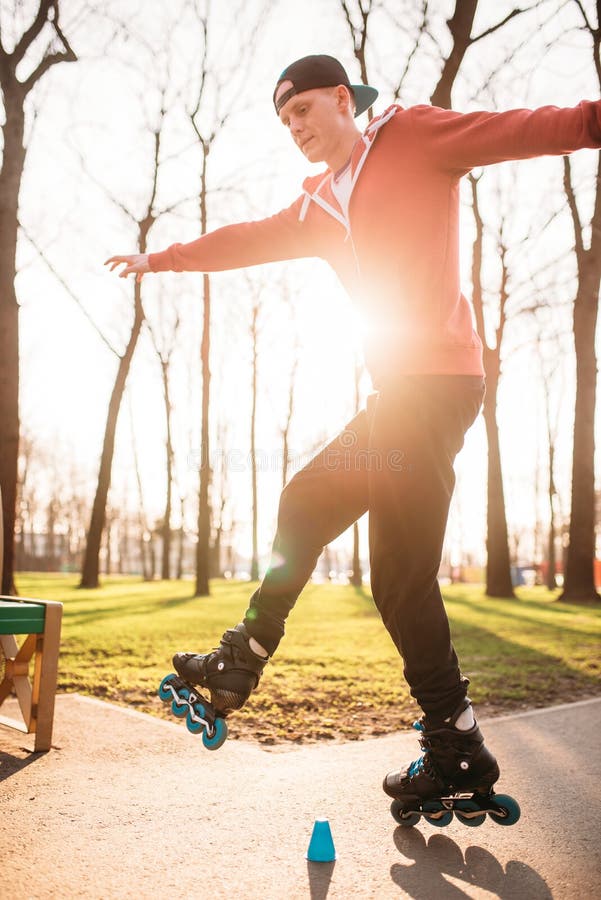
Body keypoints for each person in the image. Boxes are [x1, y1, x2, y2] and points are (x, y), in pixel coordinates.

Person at [107, 54, 601, 808]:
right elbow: (245, 239)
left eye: (303, 110)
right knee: (306, 501)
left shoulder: (412, 137)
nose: (294, 128)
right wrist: (161, 259)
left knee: (399, 578)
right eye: (283, 121)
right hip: (398, 401)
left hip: (433, 391)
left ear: (343, 99)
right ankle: (245, 654)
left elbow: (524, 128)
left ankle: (455, 747)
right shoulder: (317, 206)